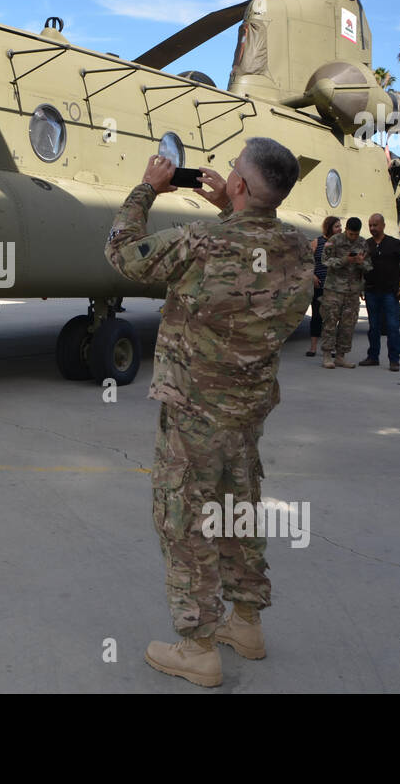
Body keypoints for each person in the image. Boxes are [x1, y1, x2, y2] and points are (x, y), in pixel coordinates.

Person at [104, 137, 313, 688]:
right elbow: (252, 254)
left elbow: (123, 253)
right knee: (236, 510)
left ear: (240, 184)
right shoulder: (297, 249)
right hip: (247, 411)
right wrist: (231, 207)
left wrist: (147, 188)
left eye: (234, 174)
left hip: (195, 409)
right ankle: (246, 625)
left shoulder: (201, 240)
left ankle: (198, 648)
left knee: (185, 520)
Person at [359, 213, 400, 371]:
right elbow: (361, 266)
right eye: (370, 225)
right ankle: (373, 356)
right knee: (374, 326)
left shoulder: (394, 243)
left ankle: (394, 360)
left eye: (375, 225)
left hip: (390, 293)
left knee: (392, 327)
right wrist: (362, 286)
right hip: (371, 291)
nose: (373, 228)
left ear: (383, 225)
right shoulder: (366, 244)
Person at [319, 217, 370, 369]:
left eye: (355, 234)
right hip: (334, 290)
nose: (353, 237)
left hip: (352, 292)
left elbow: (369, 267)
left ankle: (341, 356)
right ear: (346, 229)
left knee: (348, 325)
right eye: (350, 234)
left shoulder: (363, 243)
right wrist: (345, 260)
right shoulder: (334, 240)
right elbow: (325, 260)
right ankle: (327, 355)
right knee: (330, 322)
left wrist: (361, 263)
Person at [307, 216, 342, 357]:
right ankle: (313, 347)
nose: (340, 229)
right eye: (337, 226)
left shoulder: (341, 243)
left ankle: (330, 347)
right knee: (316, 316)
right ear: (329, 228)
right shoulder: (317, 242)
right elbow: (307, 261)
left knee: (332, 317)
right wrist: (313, 275)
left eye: (340, 226)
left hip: (335, 287)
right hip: (319, 285)